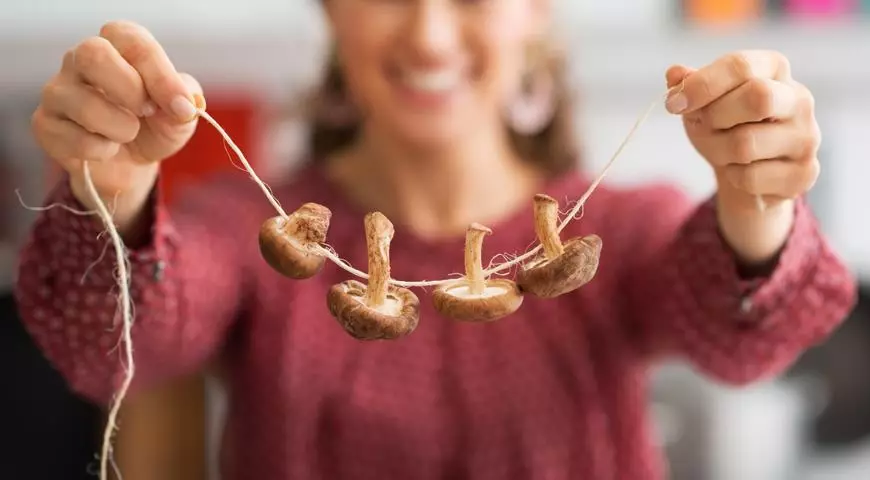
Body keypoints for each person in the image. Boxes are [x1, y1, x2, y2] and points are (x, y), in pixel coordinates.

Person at [14, 0, 857, 478]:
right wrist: (113, 195)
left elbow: (745, 338)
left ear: (536, 11)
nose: (427, 33)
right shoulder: (246, 227)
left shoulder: (622, 228)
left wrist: (758, 205)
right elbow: (119, 344)